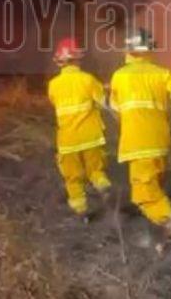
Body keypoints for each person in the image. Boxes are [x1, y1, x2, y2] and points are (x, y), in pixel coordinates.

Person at [109, 27, 171, 270]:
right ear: (149, 49)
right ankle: (161, 240)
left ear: (128, 50)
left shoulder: (119, 76)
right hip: (160, 143)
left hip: (138, 144)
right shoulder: (162, 74)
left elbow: (115, 108)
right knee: (155, 190)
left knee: (144, 196)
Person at [47, 37, 112, 221]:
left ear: (60, 61)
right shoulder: (88, 80)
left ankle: (81, 213)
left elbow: (55, 102)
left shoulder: (53, 85)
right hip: (91, 136)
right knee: (96, 171)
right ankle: (103, 186)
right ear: (77, 59)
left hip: (68, 141)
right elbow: (103, 101)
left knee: (73, 178)